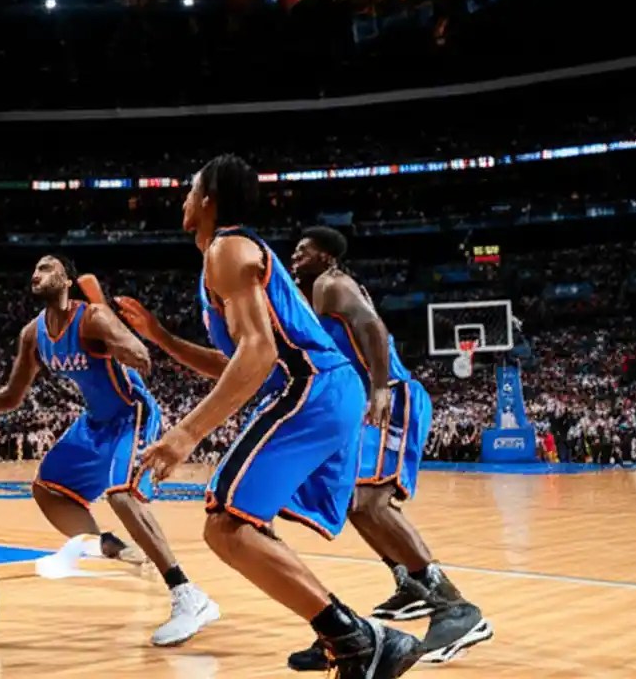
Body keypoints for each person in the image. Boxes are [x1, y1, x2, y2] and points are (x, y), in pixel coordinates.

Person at [118, 155, 422, 679]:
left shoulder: (227, 247)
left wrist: (185, 434)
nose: (184, 199)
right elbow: (234, 363)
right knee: (239, 524)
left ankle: (357, 638)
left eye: (191, 190)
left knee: (226, 522)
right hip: (321, 390)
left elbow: (257, 355)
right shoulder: (225, 255)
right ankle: (347, 636)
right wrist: (161, 338)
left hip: (314, 388)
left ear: (210, 199)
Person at [0, 254, 220, 647]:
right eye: (33, 268)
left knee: (121, 495)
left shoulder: (93, 318)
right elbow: (15, 395)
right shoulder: (32, 335)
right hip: (95, 422)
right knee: (47, 489)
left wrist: (123, 347)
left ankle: (187, 593)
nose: (37, 272)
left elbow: (143, 359)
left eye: (47, 267)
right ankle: (107, 545)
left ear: (67, 279)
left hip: (132, 412)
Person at [284, 226, 493, 670]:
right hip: (364, 400)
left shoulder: (332, 284)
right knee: (355, 503)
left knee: (370, 502)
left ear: (328, 257)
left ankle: (454, 606)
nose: (296, 254)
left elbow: (372, 327)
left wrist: (379, 389)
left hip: (392, 393)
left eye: (305, 250)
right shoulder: (314, 294)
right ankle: (410, 580)